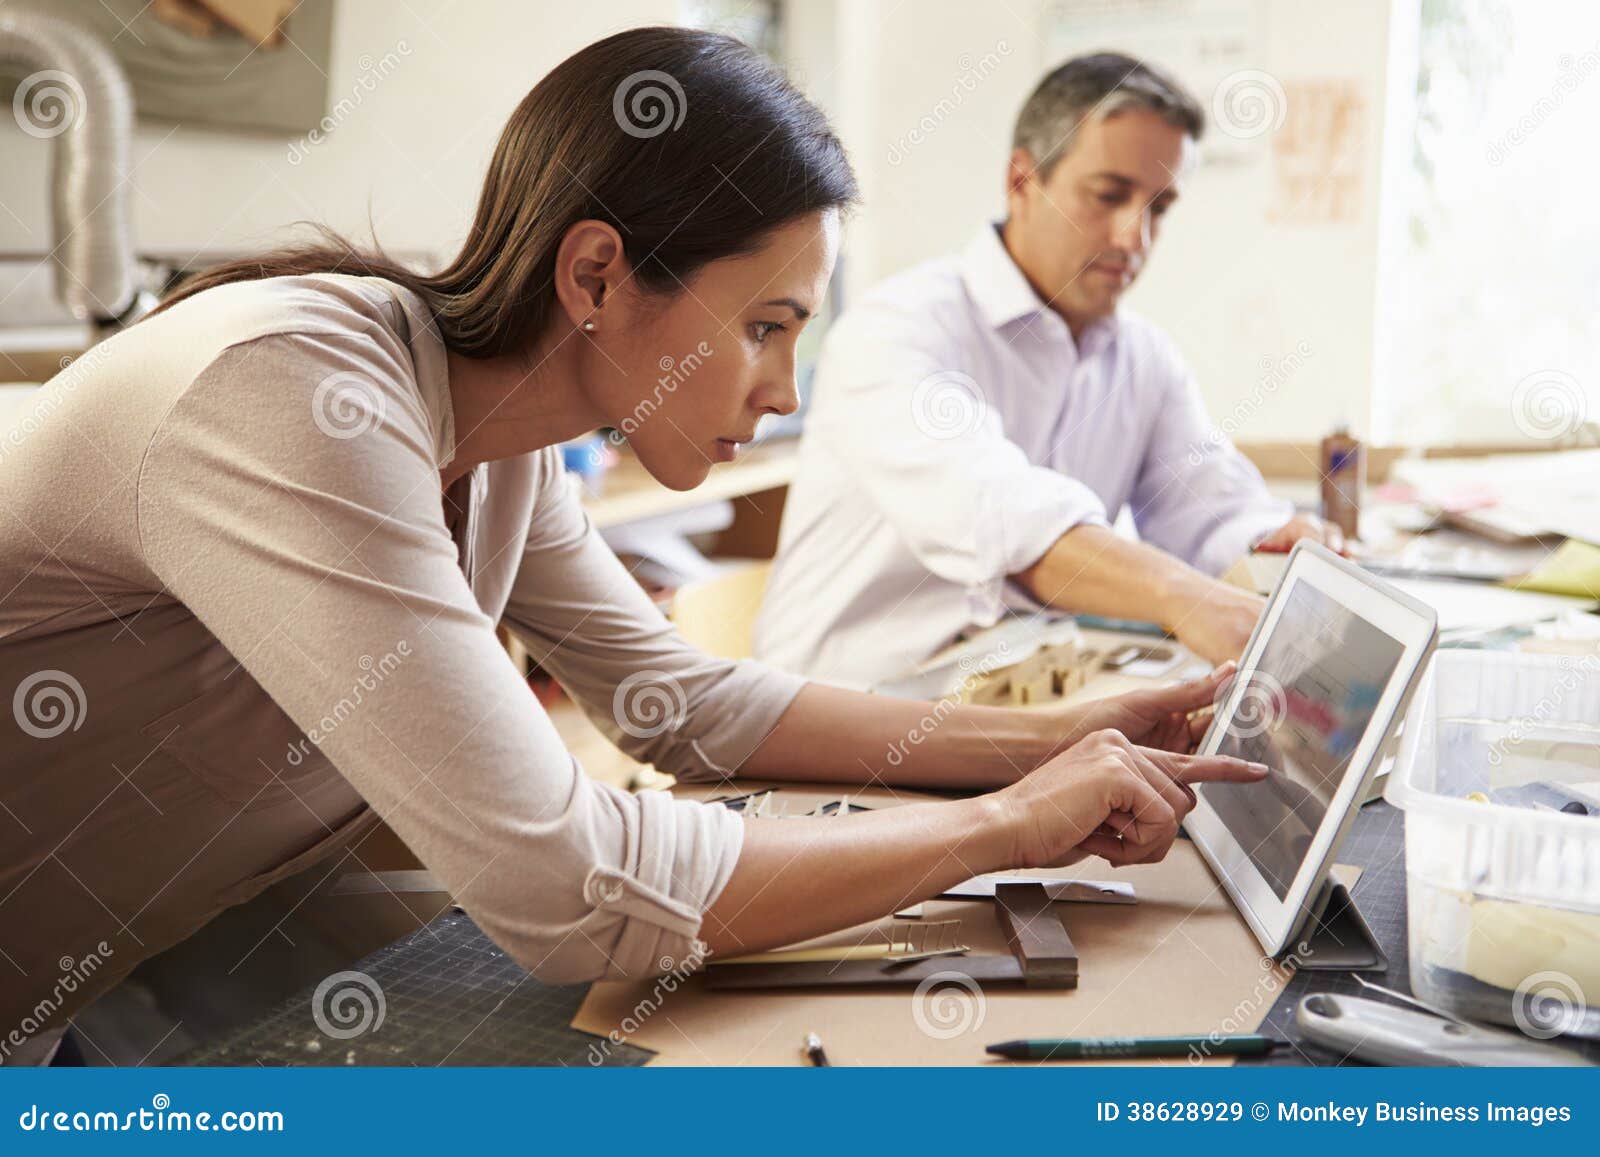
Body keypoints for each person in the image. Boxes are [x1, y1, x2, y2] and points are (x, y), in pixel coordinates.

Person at [0, 29, 1266, 1065]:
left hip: (107, 973)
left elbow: (683, 703)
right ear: (597, 274)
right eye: (765, 326)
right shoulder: (295, 393)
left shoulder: (497, 439)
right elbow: (569, 887)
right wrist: (1000, 826)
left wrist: (1060, 742)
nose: (782, 391)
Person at [755, 52, 1341, 690]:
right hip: (835, 723)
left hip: (1013, 706)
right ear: (1020, 181)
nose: (1133, 239)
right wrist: (1182, 596)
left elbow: (1209, 511)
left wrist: (1274, 542)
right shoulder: (896, 329)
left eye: (1159, 207)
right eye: (1108, 196)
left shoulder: (1143, 359)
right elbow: (1004, 520)